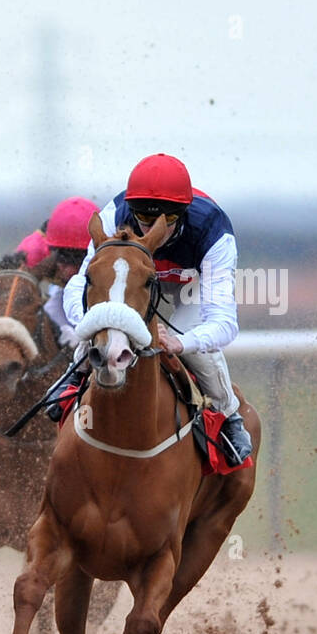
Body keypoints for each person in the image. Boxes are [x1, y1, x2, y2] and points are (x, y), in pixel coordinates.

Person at [61, 153, 254, 465]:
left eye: (167, 222)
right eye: (145, 221)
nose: (156, 231)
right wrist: (91, 323)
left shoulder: (213, 231)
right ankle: (71, 381)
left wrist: (181, 343)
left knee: (188, 339)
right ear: (132, 210)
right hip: (136, 280)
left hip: (190, 284)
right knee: (101, 325)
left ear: (183, 213)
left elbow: (224, 323)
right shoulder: (114, 215)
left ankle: (227, 413)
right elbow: (78, 285)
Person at [3, 196, 101, 347]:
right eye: (62, 256)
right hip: (58, 293)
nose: (69, 269)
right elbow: (5, 293)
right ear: (49, 249)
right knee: (51, 310)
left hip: (95, 287)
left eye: (77, 259)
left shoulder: (108, 251)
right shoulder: (32, 252)